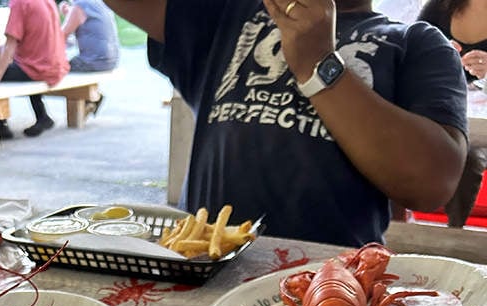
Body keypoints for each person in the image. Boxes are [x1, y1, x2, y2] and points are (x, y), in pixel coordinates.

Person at [98, 1, 468, 247]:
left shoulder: (416, 43)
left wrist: (318, 64)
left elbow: (433, 183)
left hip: (332, 288)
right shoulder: (225, 16)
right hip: (201, 270)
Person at [417, 0, 487, 227]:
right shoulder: (440, 6)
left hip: (479, 125)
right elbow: (413, 54)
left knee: (468, 157)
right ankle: (391, 229)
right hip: (439, 111)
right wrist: (438, 57)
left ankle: (454, 233)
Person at [0, 0, 69, 139]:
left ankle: (0, 125)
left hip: (39, 69)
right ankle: (42, 116)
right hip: (57, 65)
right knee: (23, 65)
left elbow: (10, 44)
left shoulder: (19, 3)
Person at [60, 0, 119, 72]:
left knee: (52, 70)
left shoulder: (80, 5)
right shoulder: (100, 3)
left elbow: (61, 37)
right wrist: (69, 14)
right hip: (112, 61)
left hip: (93, 62)